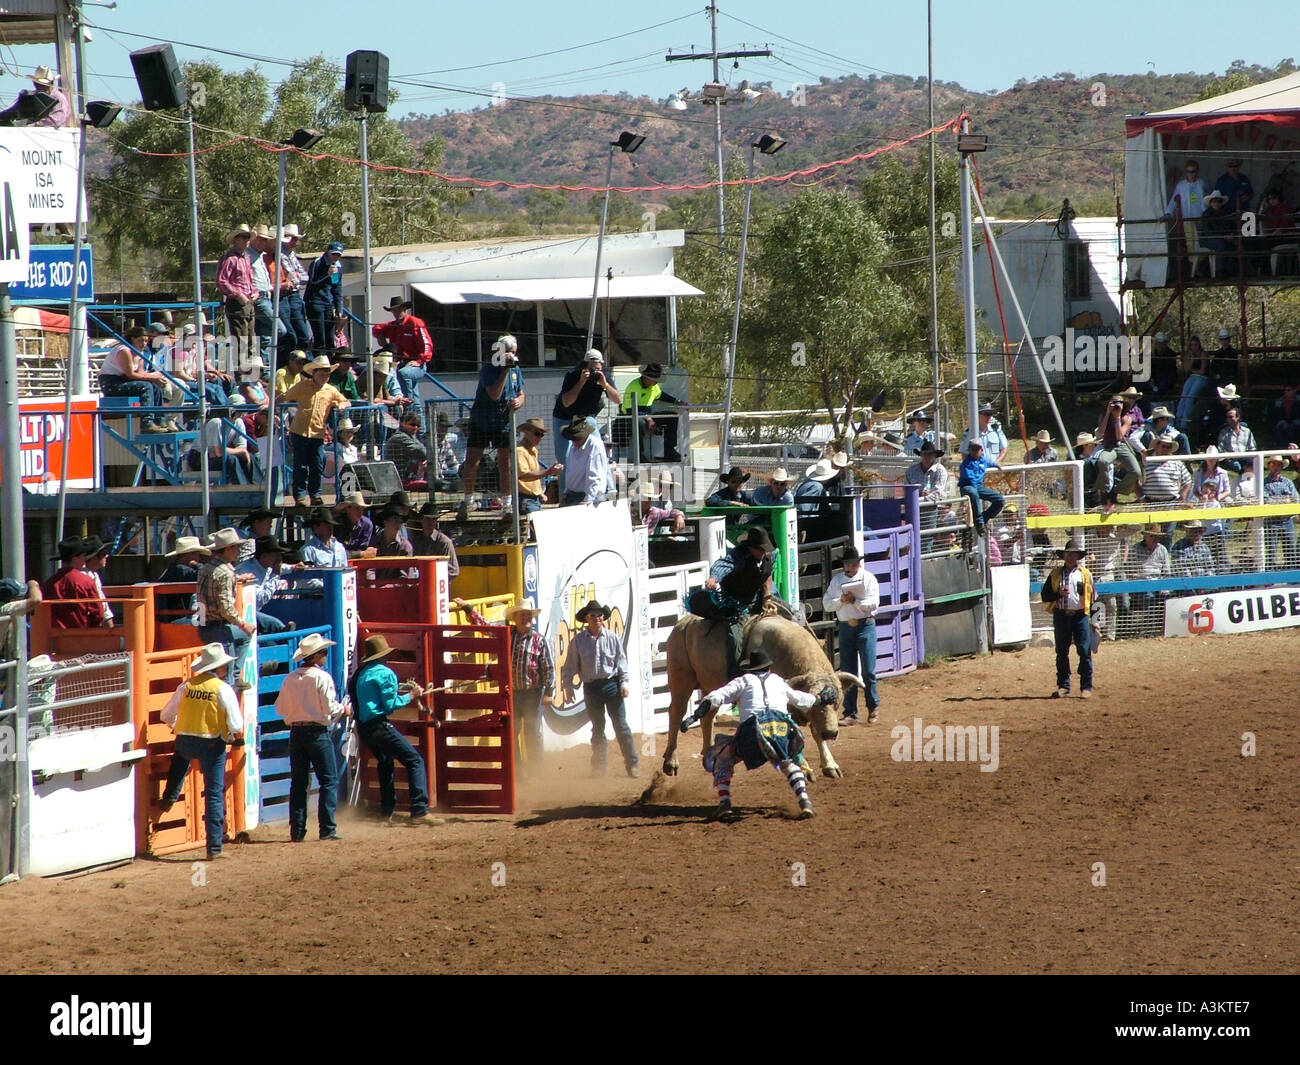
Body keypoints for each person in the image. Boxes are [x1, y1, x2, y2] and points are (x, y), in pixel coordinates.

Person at [681, 649, 823, 821]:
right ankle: (805, 802)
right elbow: (799, 700)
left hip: (752, 731)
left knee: (722, 756)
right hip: (781, 728)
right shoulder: (778, 681)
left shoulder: (742, 681)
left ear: (750, 669)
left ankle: (724, 804)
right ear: (769, 668)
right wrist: (819, 699)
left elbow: (718, 696)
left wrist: (698, 713)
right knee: (787, 761)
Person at [158, 643, 244, 860]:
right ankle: (214, 848)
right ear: (221, 668)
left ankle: (169, 796)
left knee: (180, 758)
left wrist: (178, 725)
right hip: (211, 742)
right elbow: (236, 724)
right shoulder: (222, 689)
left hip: (186, 740)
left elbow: (165, 715)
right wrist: (234, 736)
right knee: (214, 793)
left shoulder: (186, 686)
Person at [456, 598, 554, 775]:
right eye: (522, 615)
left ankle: (536, 771)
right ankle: (517, 771)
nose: (526, 618)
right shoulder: (507, 635)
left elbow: (548, 667)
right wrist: (468, 608)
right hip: (513, 694)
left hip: (533, 693)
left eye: (528, 615)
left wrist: (549, 692)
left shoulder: (539, 640)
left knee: (532, 732)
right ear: (515, 618)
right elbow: (486, 626)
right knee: (513, 732)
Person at [348, 634, 435, 824]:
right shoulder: (386, 673)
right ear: (383, 655)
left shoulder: (360, 674)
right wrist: (411, 694)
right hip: (379, 725)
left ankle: (386, 810)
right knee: (414, 761)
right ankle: (419, 809)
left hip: (365, 728)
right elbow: (389, 705)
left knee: (385, 762)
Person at [275, 632, 343, 842]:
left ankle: (297, 830)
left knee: (298, 782)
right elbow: (330, 707)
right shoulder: (322, 678)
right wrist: (344, 709)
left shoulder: (290, 678)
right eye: (323, 653)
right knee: (328, 780)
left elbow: (280, 708)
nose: (325, 656)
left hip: (296, 733)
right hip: (317, 733)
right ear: (315, 656)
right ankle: (327, 829)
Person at [561, 601, 636, 778]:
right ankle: (599, 767)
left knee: (621, 726)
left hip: (611, 684)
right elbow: (569, 666)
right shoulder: (578, 641)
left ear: (604, 618)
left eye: (599, 615)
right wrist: (568, 687)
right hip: (591, 687)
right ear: (586, 619)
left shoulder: (612, 638)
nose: (597, 618)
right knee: (598, 727)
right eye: (593, 615)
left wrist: (624, 683)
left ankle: (632, 764)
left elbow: (621, 663)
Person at [458, 335, 526, 519]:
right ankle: (468, 500)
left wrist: (520, 400)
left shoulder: (516, 370)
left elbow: (521, 392)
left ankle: (507, 505)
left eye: (514, 353)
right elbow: (494, 394)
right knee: (473, 461)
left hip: (502, 421)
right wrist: (504, 371)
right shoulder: (489, 369)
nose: (512, 357)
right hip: (482, 419)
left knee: (505, 463)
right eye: (509, 353)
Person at [279, 354, 351, 506]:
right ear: (314, 373)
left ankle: (316, 495)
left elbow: (345, 401)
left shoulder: (331, 390)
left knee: (317, 464)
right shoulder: (303, 386)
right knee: (301, 465)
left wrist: (342, 405)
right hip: (299, 431)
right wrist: (270, 405)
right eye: (321, 374)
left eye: (327, 374)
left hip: (317, 433)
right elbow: (285, 396)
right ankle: (299, 496)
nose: (324, 377)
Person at [821, 546, 879, 725]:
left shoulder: (868, 578)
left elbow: (873, 604)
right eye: (847, 564)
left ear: (858, 564)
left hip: (865, 625)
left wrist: (853, 601)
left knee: (868, 670)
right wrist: (841, 601)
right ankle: (851, 712)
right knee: (848, 671)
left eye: (853, 564)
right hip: (847, 627)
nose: (850, 567)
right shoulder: (837, 580)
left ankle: (873, 706)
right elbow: (827, 604)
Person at [552, 348, 622, 489]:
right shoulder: (573, 375)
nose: (595, 372)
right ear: (585, 365)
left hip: (585, 418)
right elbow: (566, 402)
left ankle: (609, 489)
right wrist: (581, 382)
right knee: (564, 459)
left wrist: (605, 384)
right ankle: (566, 494)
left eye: (597, 368)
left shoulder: (604, 376)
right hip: (564, 416)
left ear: (601, 366)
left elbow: (618, 399)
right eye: (592, 368)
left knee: (600, 453)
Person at [1040, 540, 1098, 699]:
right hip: (1061, 615)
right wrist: (1058, 594)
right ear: (1064, 556)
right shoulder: (1055, 574)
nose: (1071, 557)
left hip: (1080, 616)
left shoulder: (1085, 574)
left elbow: (1093, 598)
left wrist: (1095, 620)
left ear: (1078, 557)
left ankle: (1086, 686)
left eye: (1074, 554)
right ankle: (1063, 685)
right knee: (1061, 652)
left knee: (1084, 650)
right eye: (1068, 554)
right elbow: (1045, 596)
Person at [197, 528, 255, 686]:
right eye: (236, 547)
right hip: (220, 629)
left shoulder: (204, 569)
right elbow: (226, 608)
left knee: (213, 674)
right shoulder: (226, 573)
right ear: (228, 549)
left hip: (203, 625)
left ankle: (234, 679)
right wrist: (243, 624)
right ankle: (235, 679)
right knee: (226, 679)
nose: (238, 550)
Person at [372, 298, 433, 431]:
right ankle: (420, 429)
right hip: (404, 364)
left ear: (405, 309)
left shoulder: (415, 323)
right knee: (414, 394)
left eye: (399, 309)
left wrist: (419, 361)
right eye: (394, 310)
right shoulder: (394, 325)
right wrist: (379, 335)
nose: (396, 312)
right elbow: (376, 328)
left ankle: (408, 406)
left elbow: (427, 345)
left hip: (417, 365)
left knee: (403, 374)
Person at [99, 324, 173, 433]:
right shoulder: (125, 350)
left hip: (124, 381)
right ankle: (146, 423)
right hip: (111, 383)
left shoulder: (140, 353)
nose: (144, 344)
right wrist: (153, 377)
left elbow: (141, 373)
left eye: (146, 341)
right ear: (133, 339)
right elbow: (130, 374)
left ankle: (159, 420)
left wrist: (155, 378)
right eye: (141, 340)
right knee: (146, 386)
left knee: (154, 386)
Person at [617, 362, 682, 461]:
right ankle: (640, 455)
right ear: (646, 378)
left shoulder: (654, 386)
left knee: (672, 417)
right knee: (639, 423)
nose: (656, 383)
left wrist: (677, 401)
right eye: (654, 380)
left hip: (647, 415)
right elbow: (631, 411)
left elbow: (660, 395)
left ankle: (669, 451)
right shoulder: (633, 387)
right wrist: (649, 419)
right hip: (630, 417)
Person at [41, 537, 108, 630]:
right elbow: (98, 613)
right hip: (81, 634)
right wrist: (93, 630)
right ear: (75, 558)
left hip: (55, 637)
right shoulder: (86, 581)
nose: (85, 559)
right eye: (83, 555)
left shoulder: (49, 583)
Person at [235, 535, 296, 634]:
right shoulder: (246, 571)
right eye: (275, 554)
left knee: (269, 639)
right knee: (273, 624)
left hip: (252, 614)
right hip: (242, 613)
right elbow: (260, 599)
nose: (279, 558)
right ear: (264, 556)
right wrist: (276, 574)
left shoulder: (264, 565)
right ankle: (283, 633)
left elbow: (281, 567)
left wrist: (293, 567)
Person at [1094, 394, 1141, 511]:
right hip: (1108, 446)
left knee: (1136, 471)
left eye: (1119, 402)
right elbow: (1100, 433)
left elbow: (1119, 437)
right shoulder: (1103, 416)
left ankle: (1118, 490)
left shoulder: (1127, 418)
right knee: (1103, 461)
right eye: (1114, 402)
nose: (1117, 405)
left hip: (1122, 446)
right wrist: (1108, 414)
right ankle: (1104, 489)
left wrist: (1118, 418)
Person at [1163, 159, 1208, 277]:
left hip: (1200, 218)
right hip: (1187, 219)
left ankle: (1200, 268)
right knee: (1191, 244)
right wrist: (1168, 212)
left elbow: (1206, 200)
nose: (1191, 174)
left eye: (1193, 171)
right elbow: (1174, 199)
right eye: (1188, 171)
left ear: (1197, 172)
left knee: (1201, 243)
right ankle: (1194, 269)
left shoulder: (1202, 183)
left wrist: (1206, 215)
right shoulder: (1181, 185)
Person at [1125, 526, 1171, 636]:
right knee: (1149, 597)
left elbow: (1167, 572)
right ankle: (1150, 631)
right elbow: (1129, 572)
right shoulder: (1135, 549)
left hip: (1159, 583)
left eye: (1157, 537)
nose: (1155, 539)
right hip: (1140, 585)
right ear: (1145, 536)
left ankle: (1166, 629)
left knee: (1168, 596)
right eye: (1152, 536)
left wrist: (1163, 586)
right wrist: (1141, 577)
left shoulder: (1162, 549)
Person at [276, 223, 313, 355]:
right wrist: (296, 277)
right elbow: (293, 275)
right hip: (284, 295)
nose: (295, 242)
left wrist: (295, 277)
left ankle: (302, 362)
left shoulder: (291, 255)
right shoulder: (279, 254)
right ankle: (294, 361)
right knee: (289, 333)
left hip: (293, 295)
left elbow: (304, 277)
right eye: (293, 238)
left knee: (302, 332)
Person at [304, 241, 346, 355]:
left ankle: (329, 363)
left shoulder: (337, 266)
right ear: (328, 252)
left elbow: (337, 288)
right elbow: (312, 282)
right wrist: (326, 274)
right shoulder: (317, 263)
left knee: (329, 339)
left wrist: (339, 308)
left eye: (338, 255)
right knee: (320, 338)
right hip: (315, 302)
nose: (336, 257)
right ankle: (318, 363)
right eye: (334, 254)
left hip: (328, 303)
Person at [156, 536, 209, 624]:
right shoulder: (180, 570)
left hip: (168, 617)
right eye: (196, 554)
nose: (199, 558)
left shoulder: (175, 568)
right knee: (204, 623)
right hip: (173, 619)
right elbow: (206, 575)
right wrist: (197, 565)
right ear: (188, 555)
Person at [558, 416, 609, 507]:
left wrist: (589, 498)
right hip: (574, 494)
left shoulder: (595, 445)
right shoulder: (575, 446)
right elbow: (571, 471)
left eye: (577, 439)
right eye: (572, 439)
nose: (574, 442)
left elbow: (594, 474)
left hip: (590, 496)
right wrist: (566, 491)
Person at [515, 417, 561, 516]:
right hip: (525, 499)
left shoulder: (533, 450)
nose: (539, 437)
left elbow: (532, 477)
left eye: (541, 435)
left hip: (533, 499)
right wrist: (548, 472)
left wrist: (539, 493)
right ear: (526, 432)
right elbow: (523, 476)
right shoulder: (520, 451)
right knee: (530, 529)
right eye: (537, 433)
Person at [958, 438, 1003, 535]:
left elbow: (989, 463)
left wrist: (996, 464)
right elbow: (969, 478)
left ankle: (983, 518)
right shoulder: (966, 463)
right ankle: (979, 523)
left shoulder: (983, 460)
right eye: (973, 449)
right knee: (973, 493)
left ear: (982, 450)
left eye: (977, 449)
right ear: (969, 450)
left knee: (1000, 500)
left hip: (978, 486)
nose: (975, 452)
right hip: (967, 486)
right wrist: (975, 489)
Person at [0, 66, 71, 127]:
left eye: (42, 84)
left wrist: (32, 125)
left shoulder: (59, 98)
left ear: (51, 83)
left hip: (54, 136)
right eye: (37, 84)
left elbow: (56, 120)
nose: (38, 86)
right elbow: (13, 110)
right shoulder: (32, 96)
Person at [1261, 454, 1299, 569]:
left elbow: (1295, 499)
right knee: (1271, 551)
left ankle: (1291, 577)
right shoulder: (1264, 483)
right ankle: (1269, 577)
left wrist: (1277, 500)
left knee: (1290, 551)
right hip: (1271, 521)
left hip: (1287, 520)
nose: (1276, 467)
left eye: (1278, 464)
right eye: (1273, 464)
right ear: (1269, 466)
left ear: (1282, 467)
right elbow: (1266, 500)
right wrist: (1285, 499)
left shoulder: (1288, 482)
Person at [1140, 432, 1192, 505]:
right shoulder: (1147, 461)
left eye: (1168, 447)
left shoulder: (1177, 463)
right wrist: (1141, 497)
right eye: (1163, 446)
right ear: (1157, 446)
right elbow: (1135, 481)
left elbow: (1188, 481)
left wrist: (1183, 495)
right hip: (1150, 501)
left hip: (1172, 502)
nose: (1165, 449)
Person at [410, 502, 460, 578]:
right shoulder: (416, 541)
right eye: (427, 518)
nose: (430, 522)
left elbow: (453, 571)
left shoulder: (444, 542)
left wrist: (433, 578)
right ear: (421, 519)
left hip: (439, 586)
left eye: (433, 519)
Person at [1175, 335, 1209, 432]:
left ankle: (1184, 423)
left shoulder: (1203, 354)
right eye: (1191, 345)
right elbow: (1186, 369)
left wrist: (1193, 370)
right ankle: (1178, 420)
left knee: (1190, 397)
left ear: (1198, 345)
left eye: (1195, 345)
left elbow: (1202, 371)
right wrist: (1191, 361)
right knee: (1183, 397)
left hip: (1202, 378)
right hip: (1192, 377)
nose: (1193, 347)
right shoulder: (1190, 355)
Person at [384, 410, 428, 483]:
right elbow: (421, 452)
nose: (415, 428)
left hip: (405, 476)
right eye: (412, 424)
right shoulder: (400, 437)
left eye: (418, 426)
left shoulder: (411, 436)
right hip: (396, 478)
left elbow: (422, 450)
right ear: (403, 424)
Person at [333, 491, 377, 560]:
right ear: (347, 509)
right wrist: (362, 554)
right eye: (357, 508)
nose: (360, 511)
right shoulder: (336, 524)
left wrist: (361, 553)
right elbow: (338, 553)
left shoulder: (367, 525)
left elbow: (363, 548)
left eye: (362, 508)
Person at [1216, 403, 1256, 475]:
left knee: (1255, 463)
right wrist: (1229, 456)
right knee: (1237, 466)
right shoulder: (1223, 432)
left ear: (1238, 417)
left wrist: (1248, 456)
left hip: (1245, 457)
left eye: (1231, 417)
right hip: (1230, 459)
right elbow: (1221, 449)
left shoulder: (1247, 431)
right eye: (1227, 417)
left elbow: (1252, 447)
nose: (1228, 419)